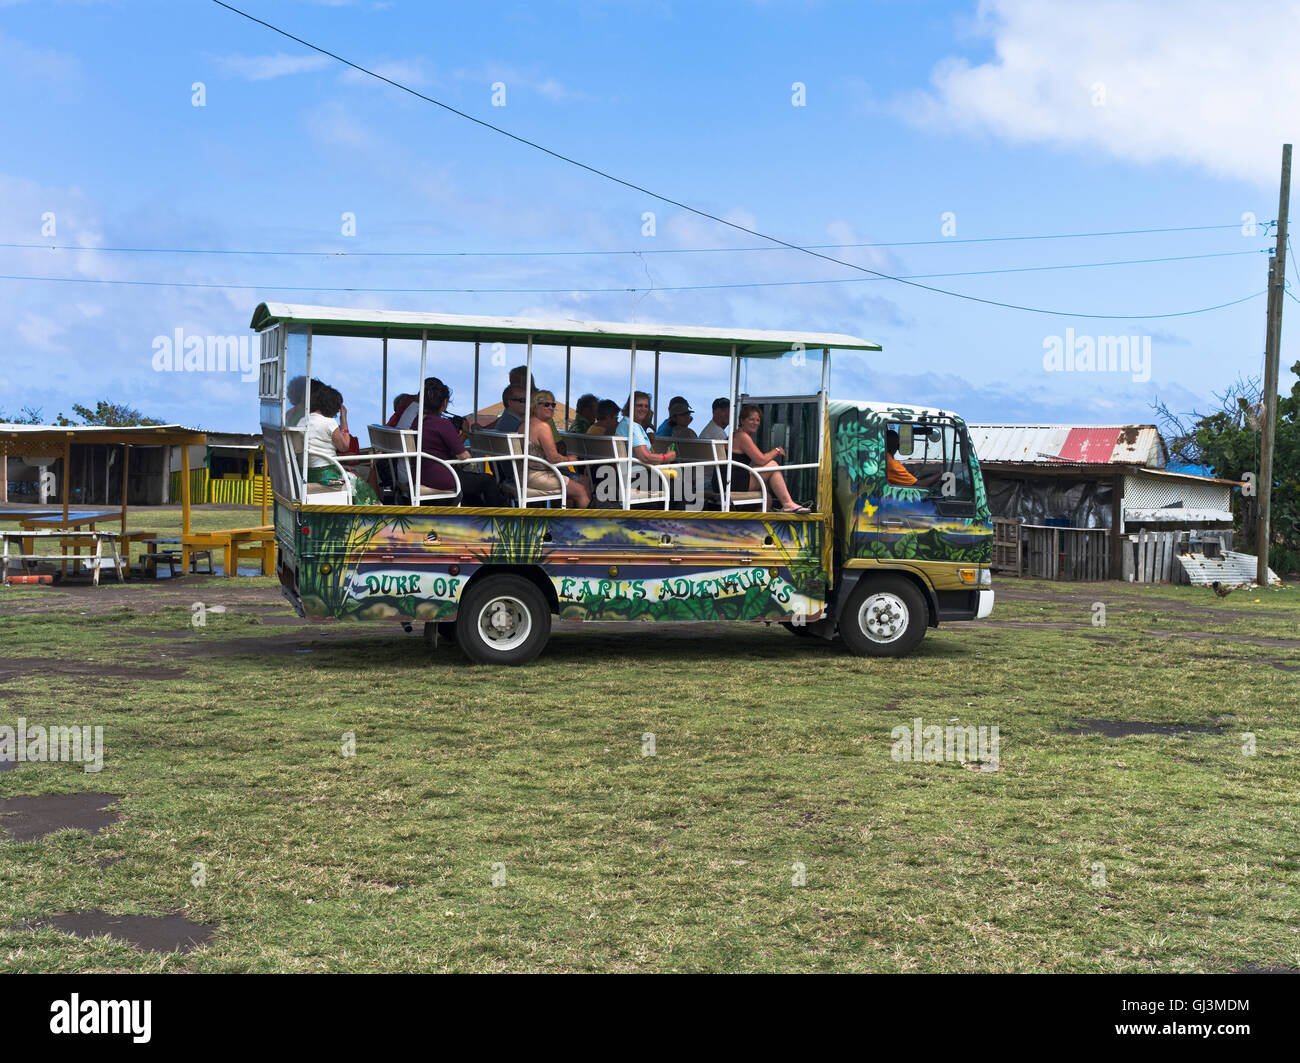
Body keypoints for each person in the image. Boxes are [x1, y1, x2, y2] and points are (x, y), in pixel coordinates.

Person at [417, 382, 507, 507]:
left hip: (420, 475)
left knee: (472, 485)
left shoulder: (417, 422)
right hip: (441, 477)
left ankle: (477, 517)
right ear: (444, 403)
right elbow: (464, 457)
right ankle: (499, 520)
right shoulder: (442, 424)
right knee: (488, 480)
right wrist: (465, 432)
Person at [304, 385, 379, 504]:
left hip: (309, 473)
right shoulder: (329, 422)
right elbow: (344, 446)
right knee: (359, 484)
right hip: (327, 475)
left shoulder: (303, 420)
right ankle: (373, 512)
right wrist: (343, 419)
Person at [731, 404, 808, 513]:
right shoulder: (742, 436)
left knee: (768, 498)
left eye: (758, 420)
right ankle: (787, 503)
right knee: (773, 465)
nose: (756, 423)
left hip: (732, 478)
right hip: (732, 481)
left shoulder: (738, 434)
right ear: (742, 420)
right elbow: (761, 459)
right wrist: (776, 450)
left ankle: (758, 524)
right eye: (751, 419)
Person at [526, 391, 590, 507]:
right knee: (581, 491)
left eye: (553, 405)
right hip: (538, 475)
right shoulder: (543, 427)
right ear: (534, 406)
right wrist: (570, 459)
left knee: (575, 485)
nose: (551, 408)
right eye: (546, 405)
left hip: (527, 473)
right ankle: (582, 525)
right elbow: (553, 458)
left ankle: (566, 519)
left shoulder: (525, 424)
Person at [617, 392, 676, 468]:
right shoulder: (632, 426)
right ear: (630, 407)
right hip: (639, 474)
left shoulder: (625, 422)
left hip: (635, 472)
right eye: (639, 405)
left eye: (646, 406)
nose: (643, 409)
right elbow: (645, 457)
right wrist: (666, 457)